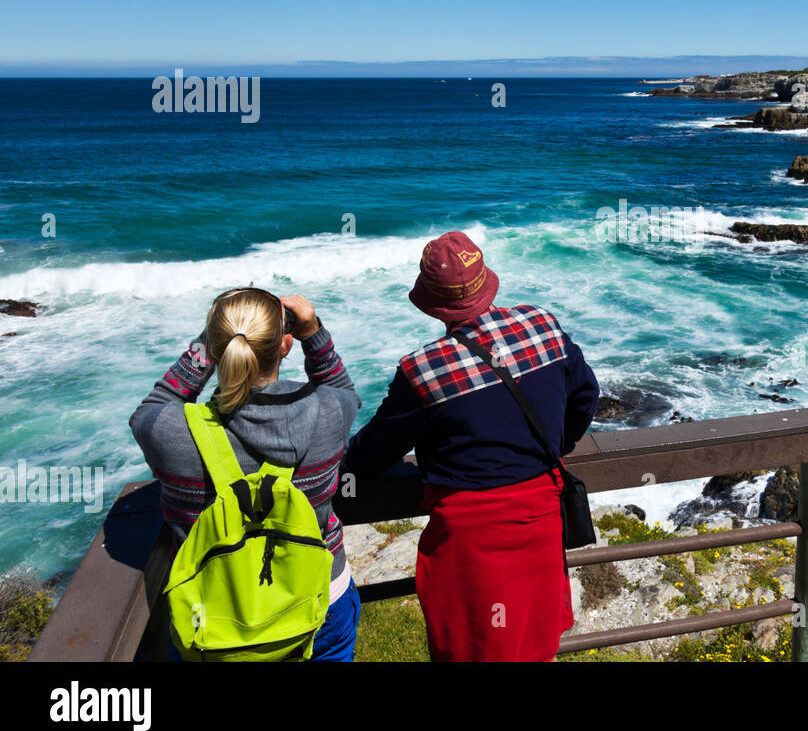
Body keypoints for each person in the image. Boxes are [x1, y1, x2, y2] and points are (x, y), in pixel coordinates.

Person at [344, 230, 599, 662]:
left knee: (473, 646)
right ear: (485, 281)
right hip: (538, 514)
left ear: (432, 300)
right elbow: (585, 397)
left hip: (471, 535)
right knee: (531, 643)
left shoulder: (421, 369)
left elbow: (372, 453)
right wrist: (558, 445)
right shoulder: (543, 324)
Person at [130, 288, 362, 661]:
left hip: (210, 616)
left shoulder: (171, 433)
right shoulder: (330, 413)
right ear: (284, 345)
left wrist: (209, 344)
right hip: (318, 598)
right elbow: (340, 387)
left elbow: (154, 406)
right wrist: (313, 333)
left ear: (216, 349)